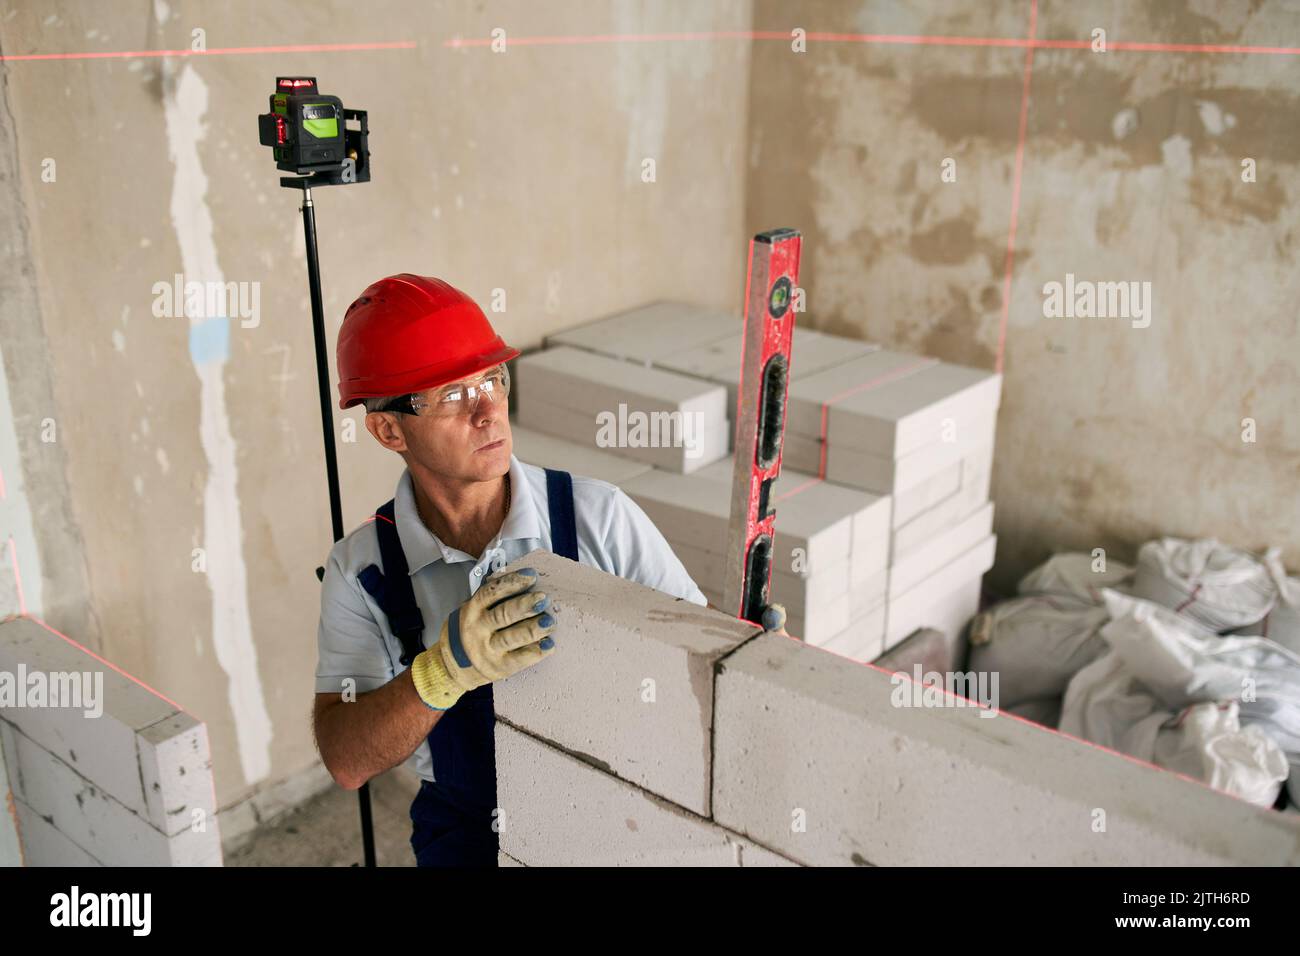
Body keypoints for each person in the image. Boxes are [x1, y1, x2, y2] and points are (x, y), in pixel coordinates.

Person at [312, 273, 786, 866]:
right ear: (387, 429)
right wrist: (443, 674)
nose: (488, 410)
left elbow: (694, 645)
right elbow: (345, 759)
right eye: (453, 395)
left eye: (492, 378)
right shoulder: (362, 571)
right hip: (467, 837)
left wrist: (750, 656)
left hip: (609, 813)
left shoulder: (597, 517)